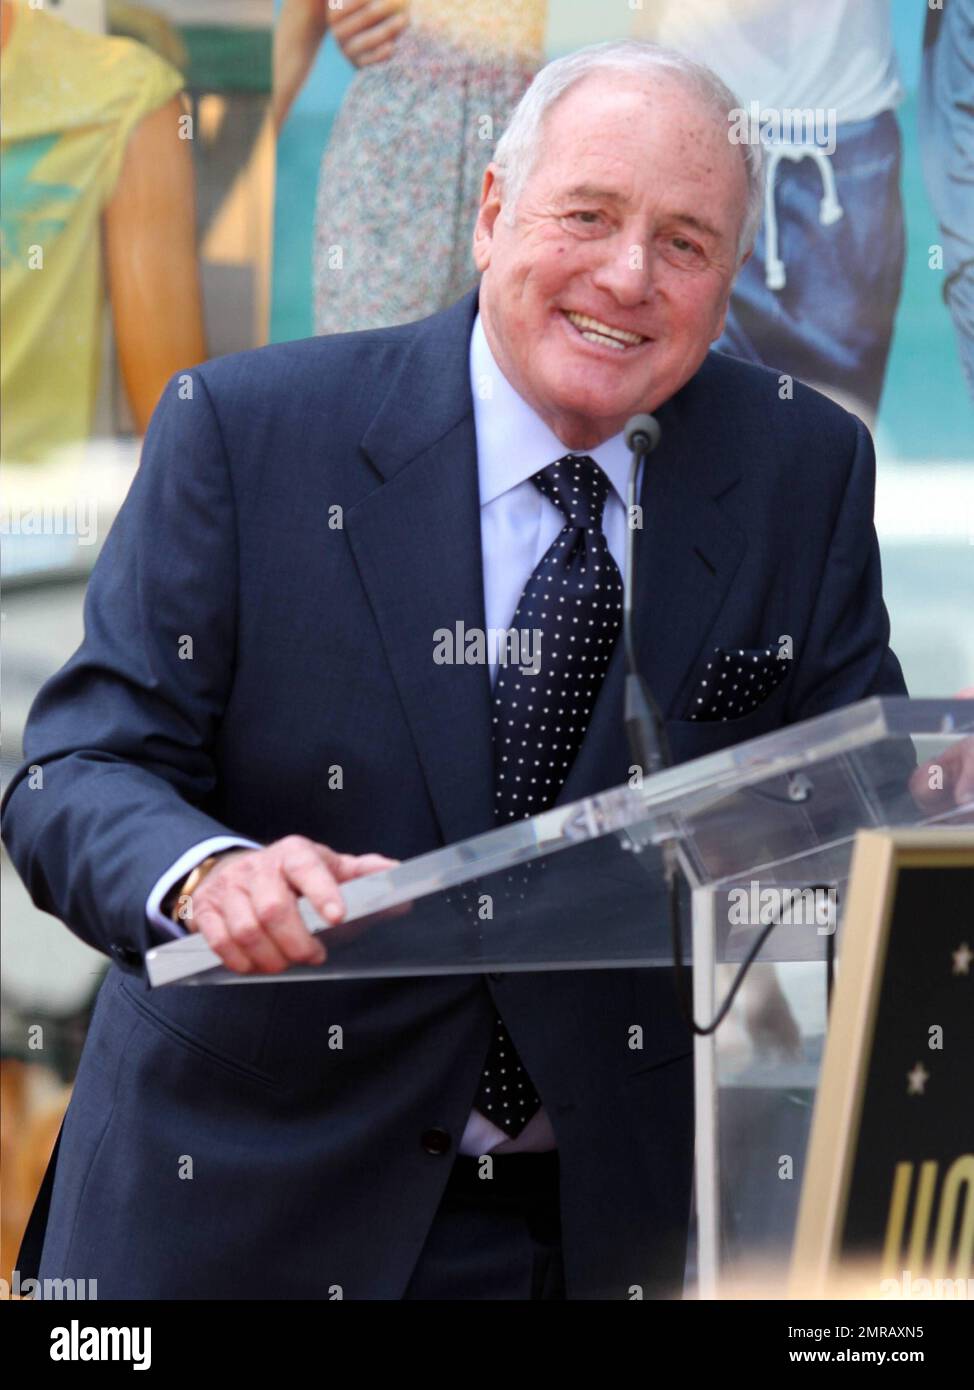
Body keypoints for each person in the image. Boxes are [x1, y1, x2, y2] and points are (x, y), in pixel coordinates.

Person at [2, 40, 907, 1301]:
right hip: (246, 1205)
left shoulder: (800, 469)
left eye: (686, 243)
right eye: (586, 215)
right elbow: (76, 769)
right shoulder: (251, 432)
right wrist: (211, 875)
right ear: (490, 215)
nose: (628, 275)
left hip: (601, 1232)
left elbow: (854, 819)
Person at [273, 0, 544, 333]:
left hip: (518, 136)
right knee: (369, 364)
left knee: (510, 365)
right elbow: (307, 10)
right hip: (392, 148)